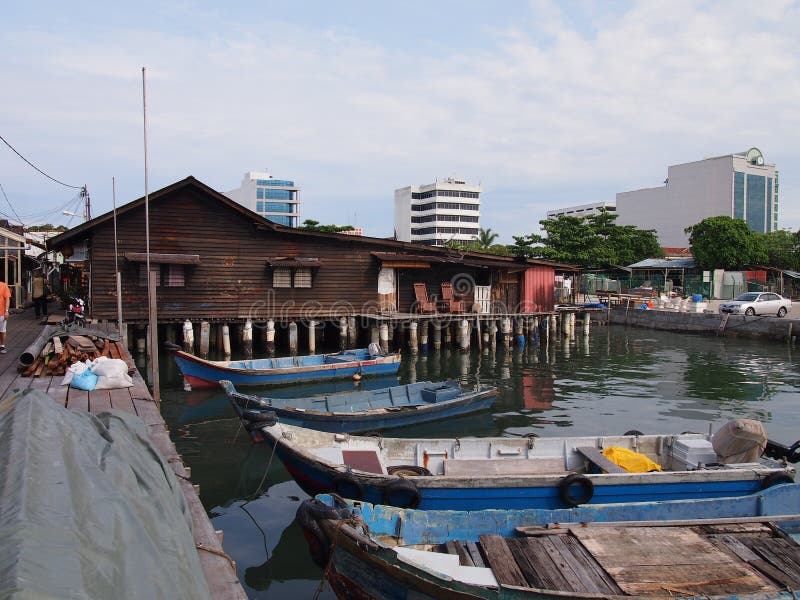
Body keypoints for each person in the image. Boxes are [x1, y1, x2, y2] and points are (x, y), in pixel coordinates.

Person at [0, 279, 10, 353]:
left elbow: (7, 299)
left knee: (2, 330)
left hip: (1, 312)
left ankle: (2, 346)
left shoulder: (3, 285)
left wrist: (6, 311)